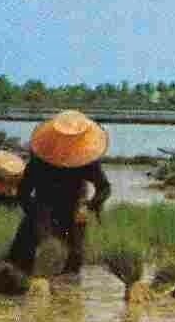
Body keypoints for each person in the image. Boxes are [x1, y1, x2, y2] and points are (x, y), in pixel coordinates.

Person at [6, 110, 111, 275]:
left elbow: (104, 187)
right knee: (25, 264)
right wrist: (34, 212)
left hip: (73, 213)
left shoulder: (85, 157)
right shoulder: (41, 155)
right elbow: (23, 191)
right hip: (44, 211)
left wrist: (89, 205)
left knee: (70, 268)